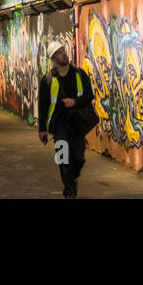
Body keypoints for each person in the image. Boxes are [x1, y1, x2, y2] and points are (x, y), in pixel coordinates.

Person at [37, 41, 96, 198]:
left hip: (77, 124)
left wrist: (74, 102)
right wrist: (42, 129)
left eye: (63, 50)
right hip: (59, 125)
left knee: (78, 158)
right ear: (53, 59)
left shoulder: (80, 75)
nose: (63, 54)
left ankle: (72, 178)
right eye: (59, 52)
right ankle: (69, 189)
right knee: (63, 158)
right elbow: (43, 106)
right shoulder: (48, 80)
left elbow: (89, 96)